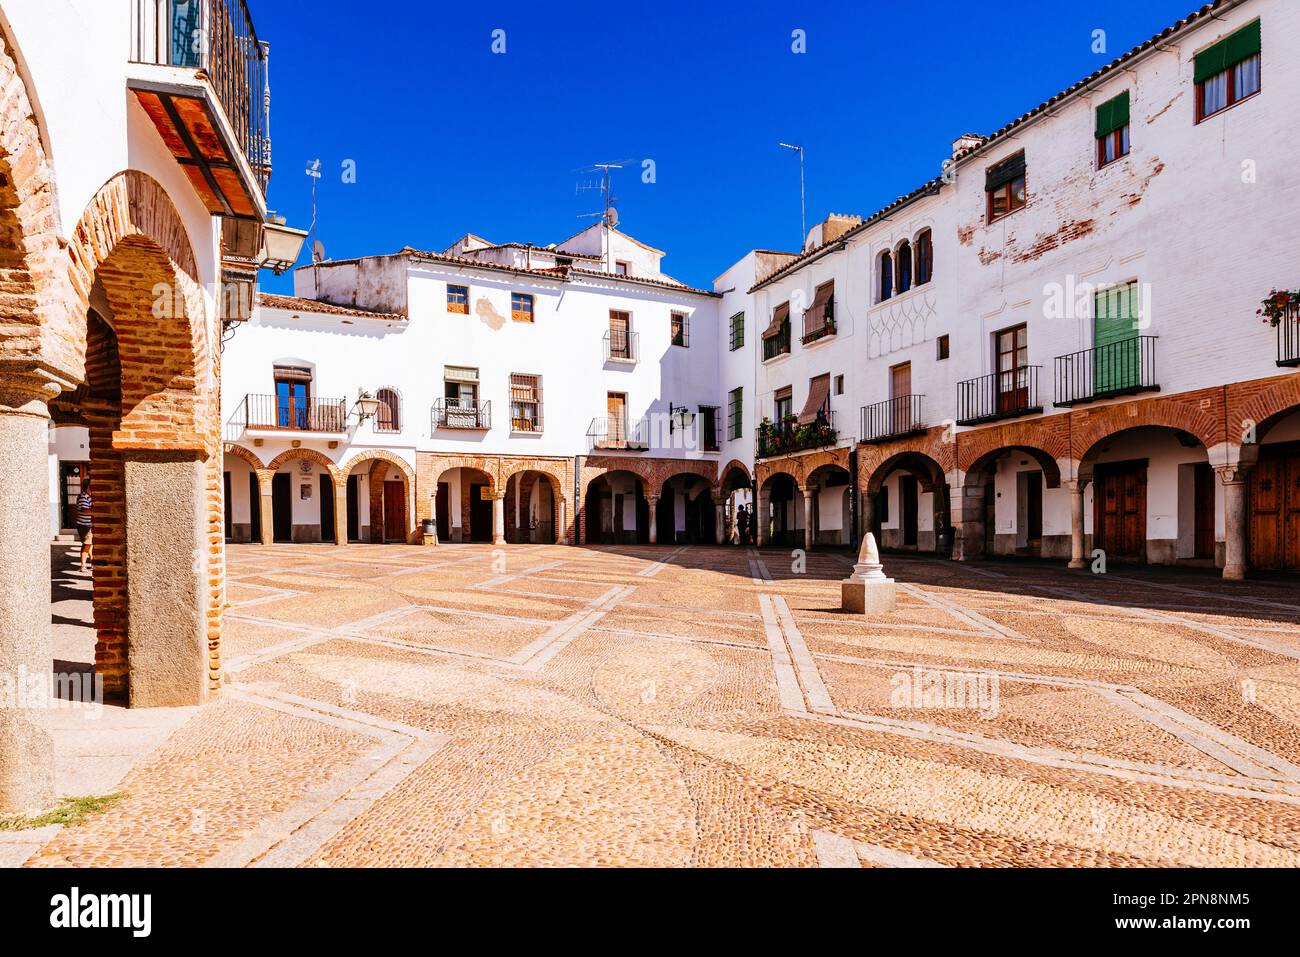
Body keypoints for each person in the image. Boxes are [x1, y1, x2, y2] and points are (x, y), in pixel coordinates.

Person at [76, 479, 92, 573]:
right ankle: (83, 565)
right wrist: (96, 512)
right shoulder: (83, 497)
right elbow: (84, 510)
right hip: (85, 525)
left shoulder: (88, 496)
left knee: (89, 544)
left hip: (87, 524)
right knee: (87, 544)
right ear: (88, 486)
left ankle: (92, 563)